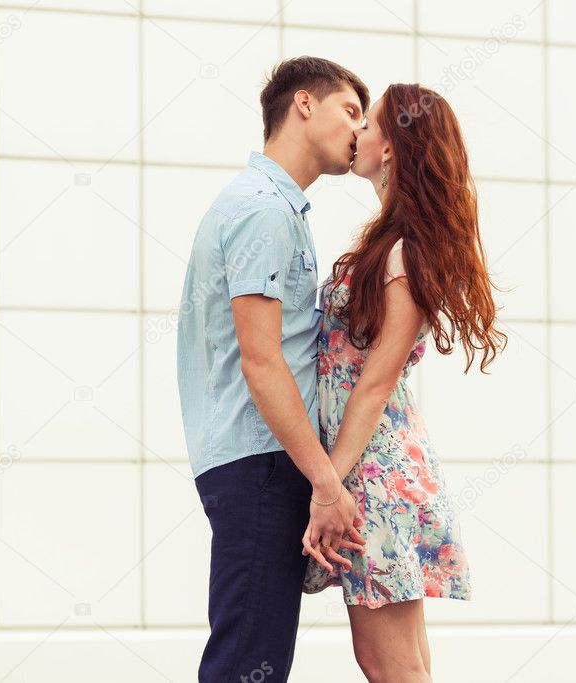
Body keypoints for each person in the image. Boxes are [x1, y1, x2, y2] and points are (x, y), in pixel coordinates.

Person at [302, 83, 507, 683]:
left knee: (389, 666)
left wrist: (325, 486)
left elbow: (372, 386)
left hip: (375, 474)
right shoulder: (391, 241)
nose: (356, 131)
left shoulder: (405, 253)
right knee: (406, 666)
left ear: (391, 148)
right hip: (377, 466)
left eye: (367, 123)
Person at [175, 56, 370, 682]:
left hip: (252, 461)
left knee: (248, 659)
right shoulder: (263, 210)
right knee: (245, 666)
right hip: (263, 462)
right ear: (304, 104)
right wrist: (327, 484)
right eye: (351, 111)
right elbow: (262, 363)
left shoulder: (267, 206)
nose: (360, 131)